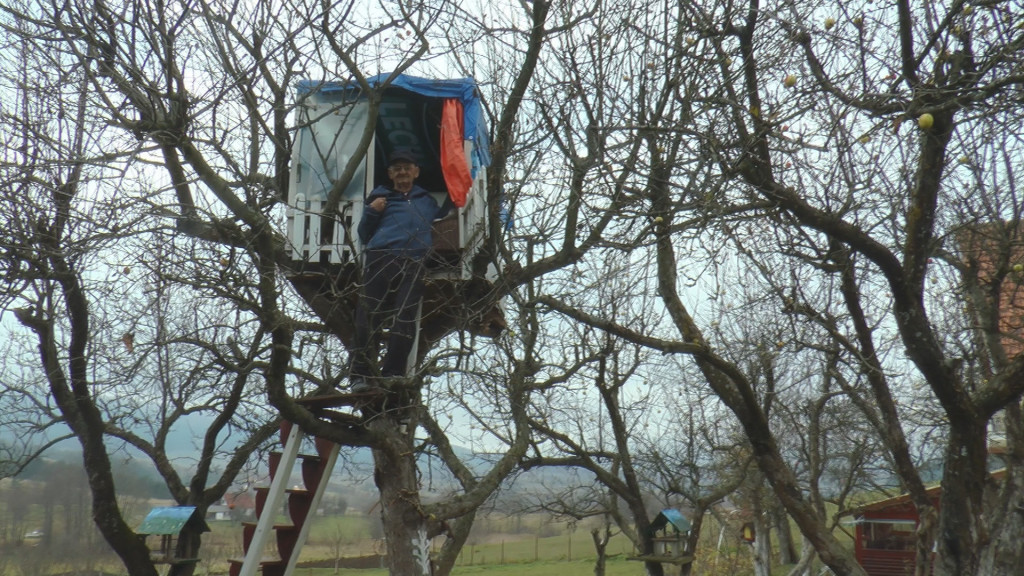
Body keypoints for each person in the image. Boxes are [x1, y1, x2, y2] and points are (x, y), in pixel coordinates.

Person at [349, 149, 451, 392]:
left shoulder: (427, 201)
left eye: (407, 168)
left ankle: (393, 373)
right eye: (397, 169)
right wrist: (373, 211)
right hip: (380, 258)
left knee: (405, 317)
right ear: (390, 174)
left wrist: (461, 181)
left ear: (416, 172)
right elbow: (363, 234)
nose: (402, 172)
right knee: (368, 316)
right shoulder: (381, 198)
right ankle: (359, 376)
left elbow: (447, 208)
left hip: (414, 262)